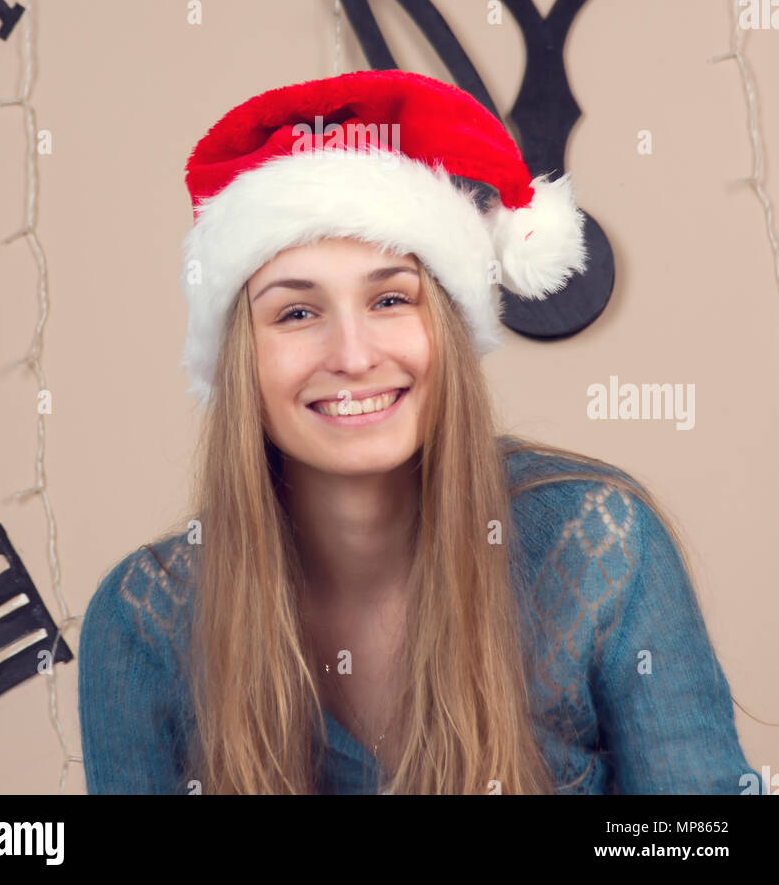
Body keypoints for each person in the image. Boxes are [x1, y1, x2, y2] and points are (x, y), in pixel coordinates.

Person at [78, 69, 757, 795]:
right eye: (297, 314)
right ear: (240, 359)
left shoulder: (600, 546)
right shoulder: (143, 623)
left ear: (448, 328)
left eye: (391, 298)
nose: (353, 355)